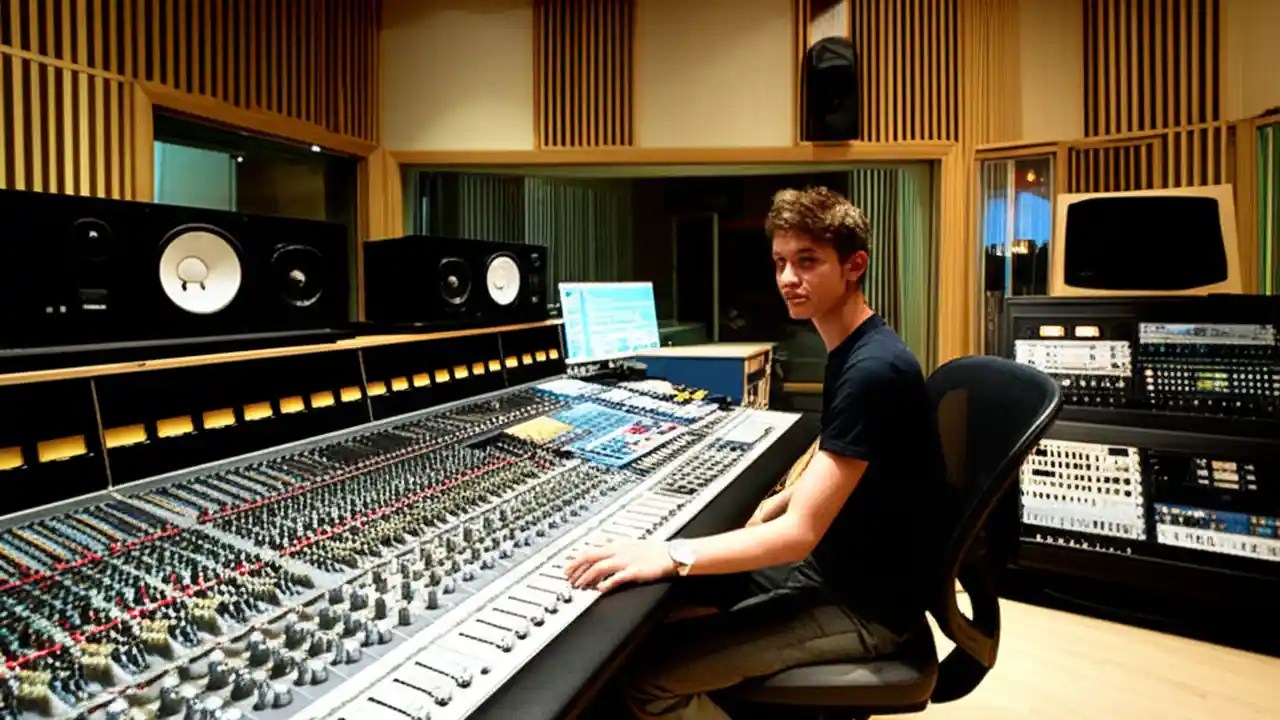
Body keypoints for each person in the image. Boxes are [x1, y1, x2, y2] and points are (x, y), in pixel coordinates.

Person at [564, 186, 951, 720]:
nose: (788, 279)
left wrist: (669, 554)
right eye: (780, 263)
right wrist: (784, 497)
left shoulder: (872, 370)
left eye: (808, 262)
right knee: (665, 614)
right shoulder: (860, 346)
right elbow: (851, 454)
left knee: (647, 676)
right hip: (840, 571)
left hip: (865, 608)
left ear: (854, 265)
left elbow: (798, 537)